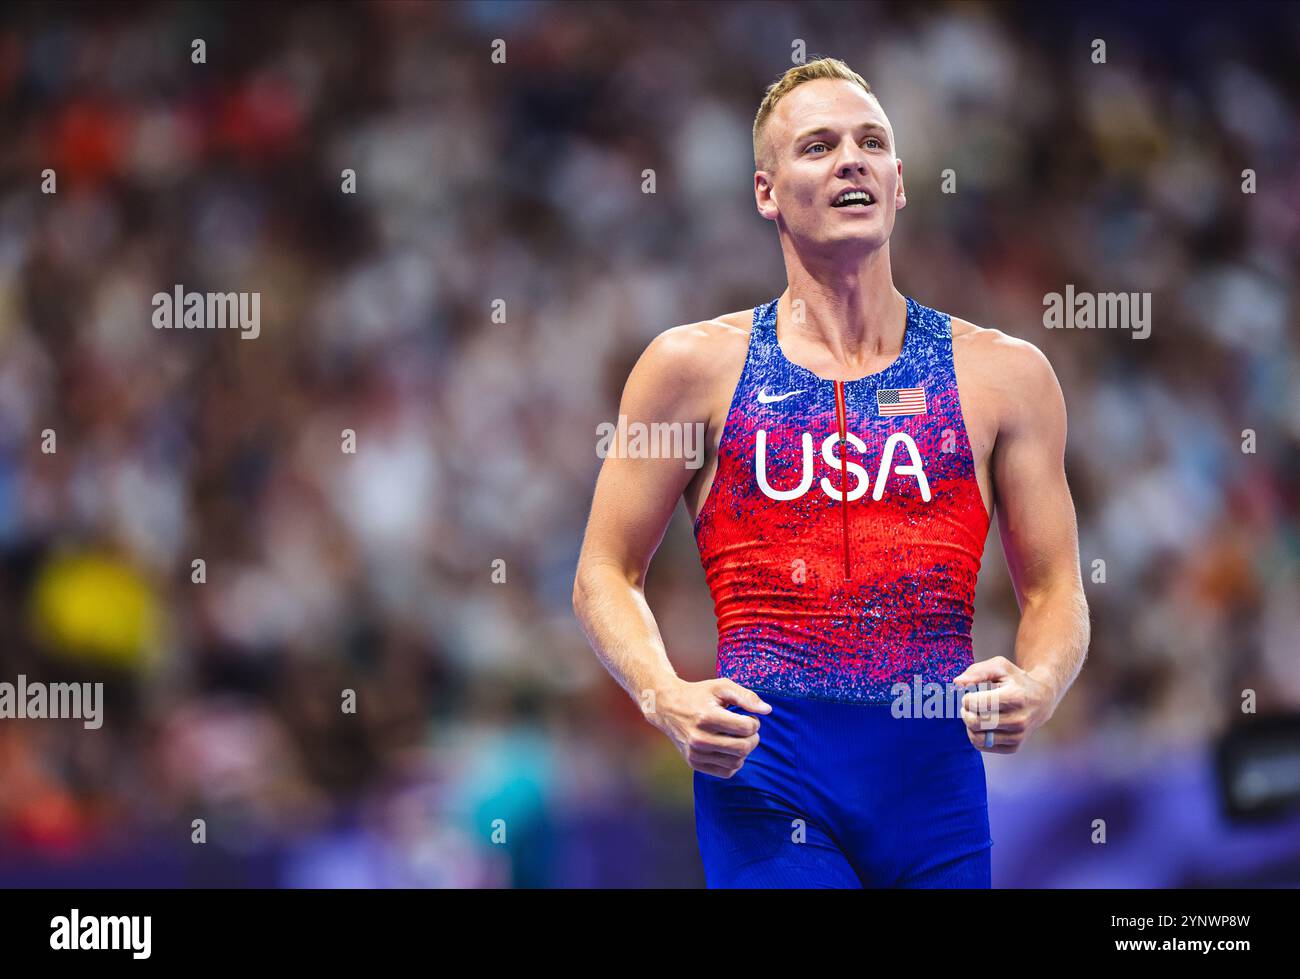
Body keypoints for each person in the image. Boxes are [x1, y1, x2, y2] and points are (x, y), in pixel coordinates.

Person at [573, 57, 1090, 888]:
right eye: (818, 146)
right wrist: (664, 694)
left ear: (898, 182)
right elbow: (603, 570)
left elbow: (1058, 587)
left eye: (871, 142)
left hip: (933, 781)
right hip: (769, 772)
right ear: (766, 192)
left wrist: (1039, 681)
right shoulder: (690, 369)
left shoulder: (1005, 376)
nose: (851, 158)